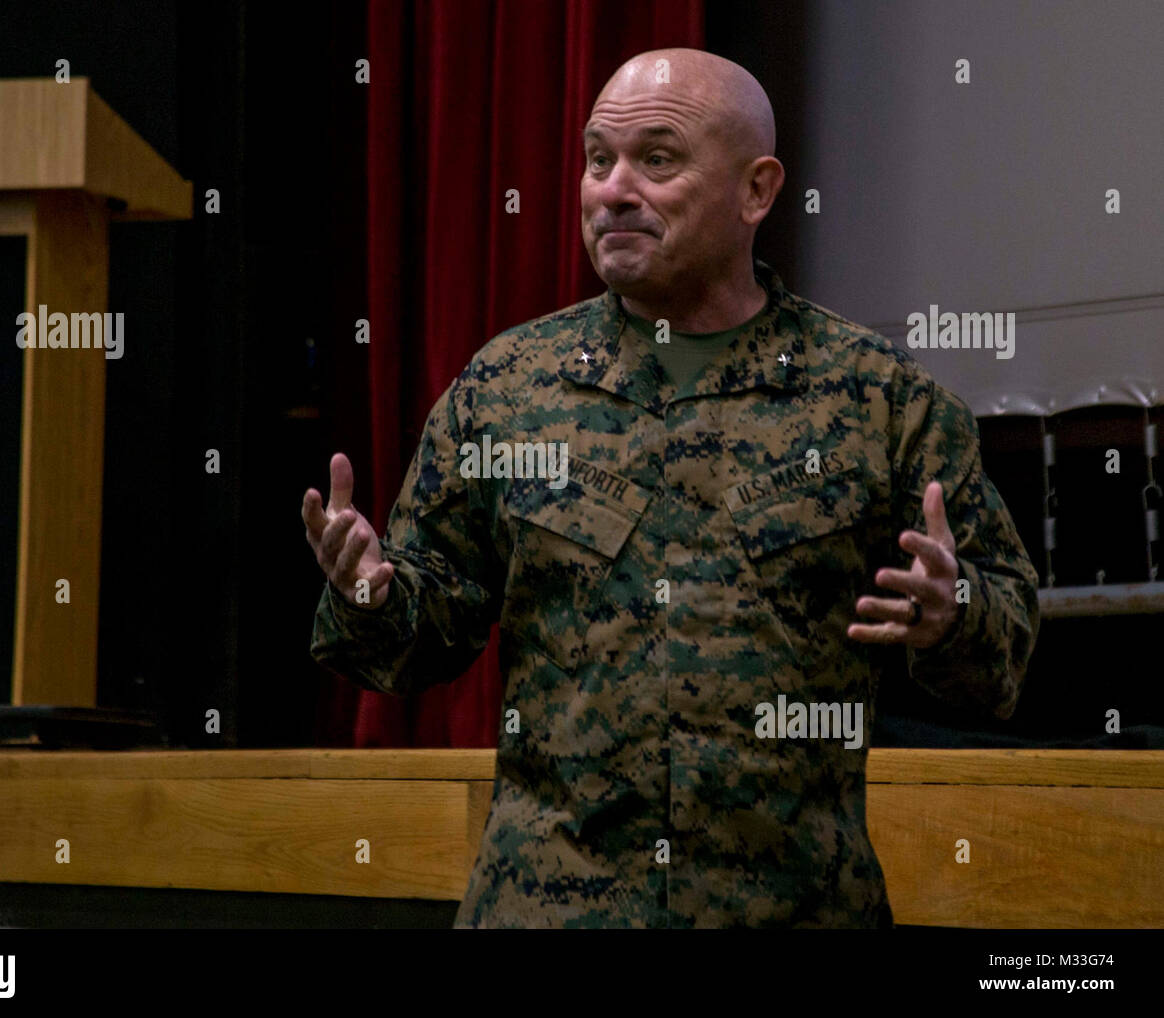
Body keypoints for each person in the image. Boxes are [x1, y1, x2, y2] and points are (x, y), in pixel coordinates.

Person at [303, 48, 1040, 928]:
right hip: (550, 907)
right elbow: (418, 639)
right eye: (596, 158)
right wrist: (369, 592)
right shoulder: (507, 391)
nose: (612, 189)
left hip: (791, 908)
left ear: (757, 191)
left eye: (657, 160)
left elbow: (1008, 651)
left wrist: (952, 611)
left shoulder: (879, 401)